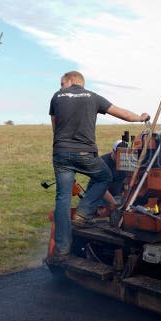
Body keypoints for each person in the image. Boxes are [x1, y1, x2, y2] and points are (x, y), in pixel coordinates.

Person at [49, 71, 149, 262]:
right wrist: (140, 117)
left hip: (60, 153)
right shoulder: (93, 97)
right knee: (104, 176)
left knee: (62, 199)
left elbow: (55, 127)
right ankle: (84, 213)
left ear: (72, 81)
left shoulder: (56, 97)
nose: (61, 87)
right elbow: (121, 113)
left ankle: (62, 251)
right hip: (84, 153)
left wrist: (63, 147)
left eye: (62, 83)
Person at [100, 139, 127, 210]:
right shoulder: (102, 162)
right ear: (113, 151)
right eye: (119, 155)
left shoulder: (126, 163)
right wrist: (113, 202)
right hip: (100, 196)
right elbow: (100, 187)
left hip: (117, 196)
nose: (121, 158)